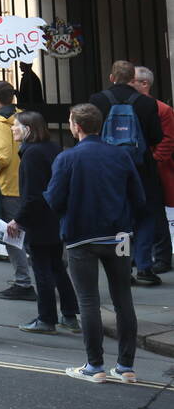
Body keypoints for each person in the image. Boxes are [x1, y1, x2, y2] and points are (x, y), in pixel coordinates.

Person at [46, 103, 145, 383]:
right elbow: (138, 198)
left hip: (81, 236)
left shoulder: (67, 159)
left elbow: (53, 200)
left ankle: (95, 365)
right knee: (123, 298)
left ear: (76, 126)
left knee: (88, 300)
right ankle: (126, 367)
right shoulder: (121, 155)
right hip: (119, 236)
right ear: (99, 125)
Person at [88, 60, 164, 286]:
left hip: (109, 168)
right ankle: (144, 267)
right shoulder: (146, 103)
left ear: (111, 77)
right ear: (133, 79)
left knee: (118, 218)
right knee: (145, 215)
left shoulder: (98, 100)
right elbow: (156, 138)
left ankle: (123, 267)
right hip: (141, 168)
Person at [6, 110, 80, 335]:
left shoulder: (31, 155)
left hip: (39, 220)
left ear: (27, 130)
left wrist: (18, 220)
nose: (12, 129)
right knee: (57, 267)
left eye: (16, 125)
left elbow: (33, 195)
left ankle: (46, 318)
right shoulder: (52, 147)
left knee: (42, 270)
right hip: (55, 217)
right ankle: (69, 316)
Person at [0, 79, 35, 301]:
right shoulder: (23, 116)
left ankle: (23, 282)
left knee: (13, 237)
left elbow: (2, 157)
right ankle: (53, 270)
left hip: (9, 186)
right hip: (27, 181)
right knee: (30, 233)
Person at [130, 66, 174, 274]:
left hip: (155, 168)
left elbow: (168, 140)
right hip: (141, 166)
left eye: (133, 81)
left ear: (144, 83)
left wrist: (153, 160)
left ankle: (163, 257)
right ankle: (141, 255)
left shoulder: (162, 109)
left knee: (156, 214)